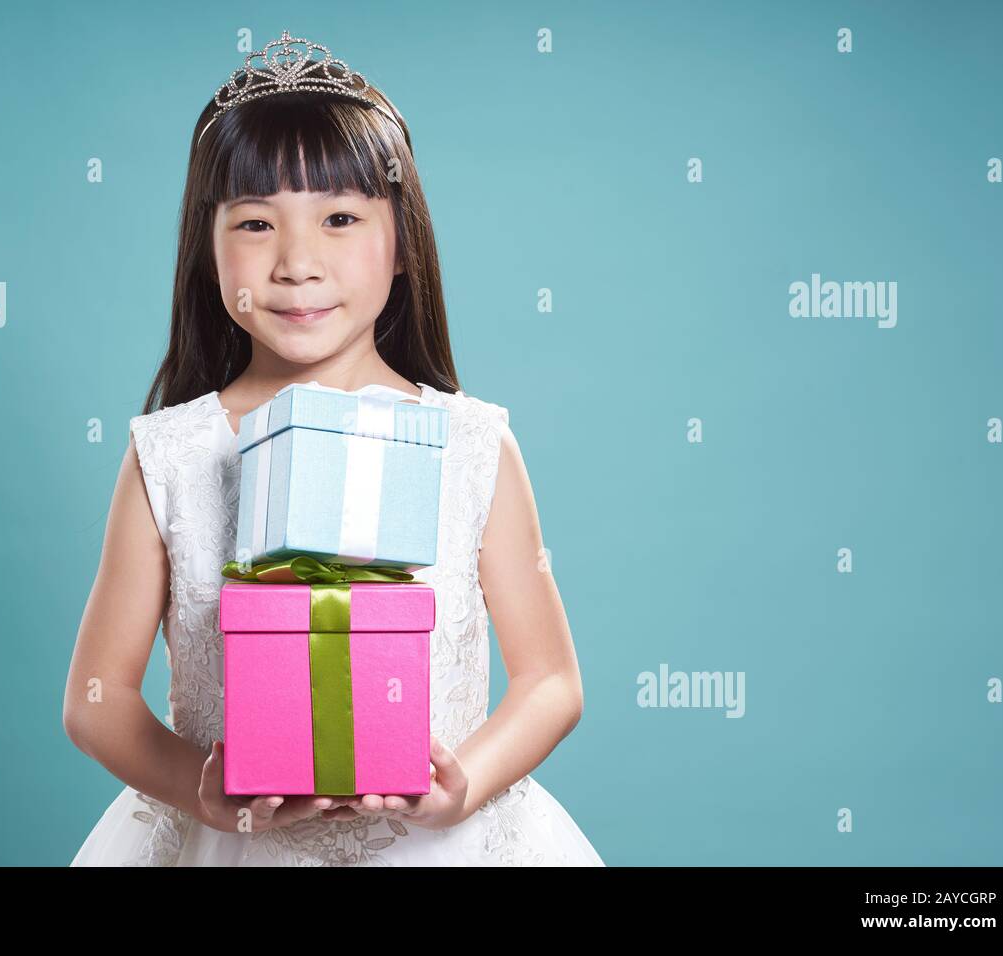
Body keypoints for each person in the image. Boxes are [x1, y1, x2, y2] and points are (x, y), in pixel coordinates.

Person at [64, 30, 605, 865]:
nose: (297, 262)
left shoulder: (472, 444)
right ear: (207, 252)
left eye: (341, 218)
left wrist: (466, 780)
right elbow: (97, 704)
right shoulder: (171, 455)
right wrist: (201, 787)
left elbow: (551, 681)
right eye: (254, 222)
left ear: (402, 243)